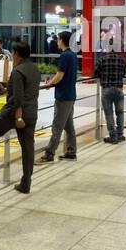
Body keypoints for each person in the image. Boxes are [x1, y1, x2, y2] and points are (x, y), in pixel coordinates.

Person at [0, 42, 39, 194]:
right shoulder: (35, 69)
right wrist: (5, 89)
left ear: (17, 54)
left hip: (15, 114)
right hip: (31, 113)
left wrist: (18, 118)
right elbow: (24, 91)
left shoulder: (18, 71)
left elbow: (18, 99)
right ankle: (26, 184)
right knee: (27, 148)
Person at [41, 31, 78, 162]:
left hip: (63, 96)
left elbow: (60, 75)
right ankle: (71, 151)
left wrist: (50, 83)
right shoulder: (73, 55)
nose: (57, 42)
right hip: (71, 94)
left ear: (62, 40)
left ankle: (49, 153)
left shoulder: (64, 56)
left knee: (57, 126)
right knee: (68, 126)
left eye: (58, 39)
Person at [95, 37, 126, 144]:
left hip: (106, 89)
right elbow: (123, 73)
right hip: (119, 89)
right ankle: (120, 134)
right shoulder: (122, 60)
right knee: (120, 113)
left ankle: (113, 136)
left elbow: (96, 73)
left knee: (109, 114)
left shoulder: (101, 60)